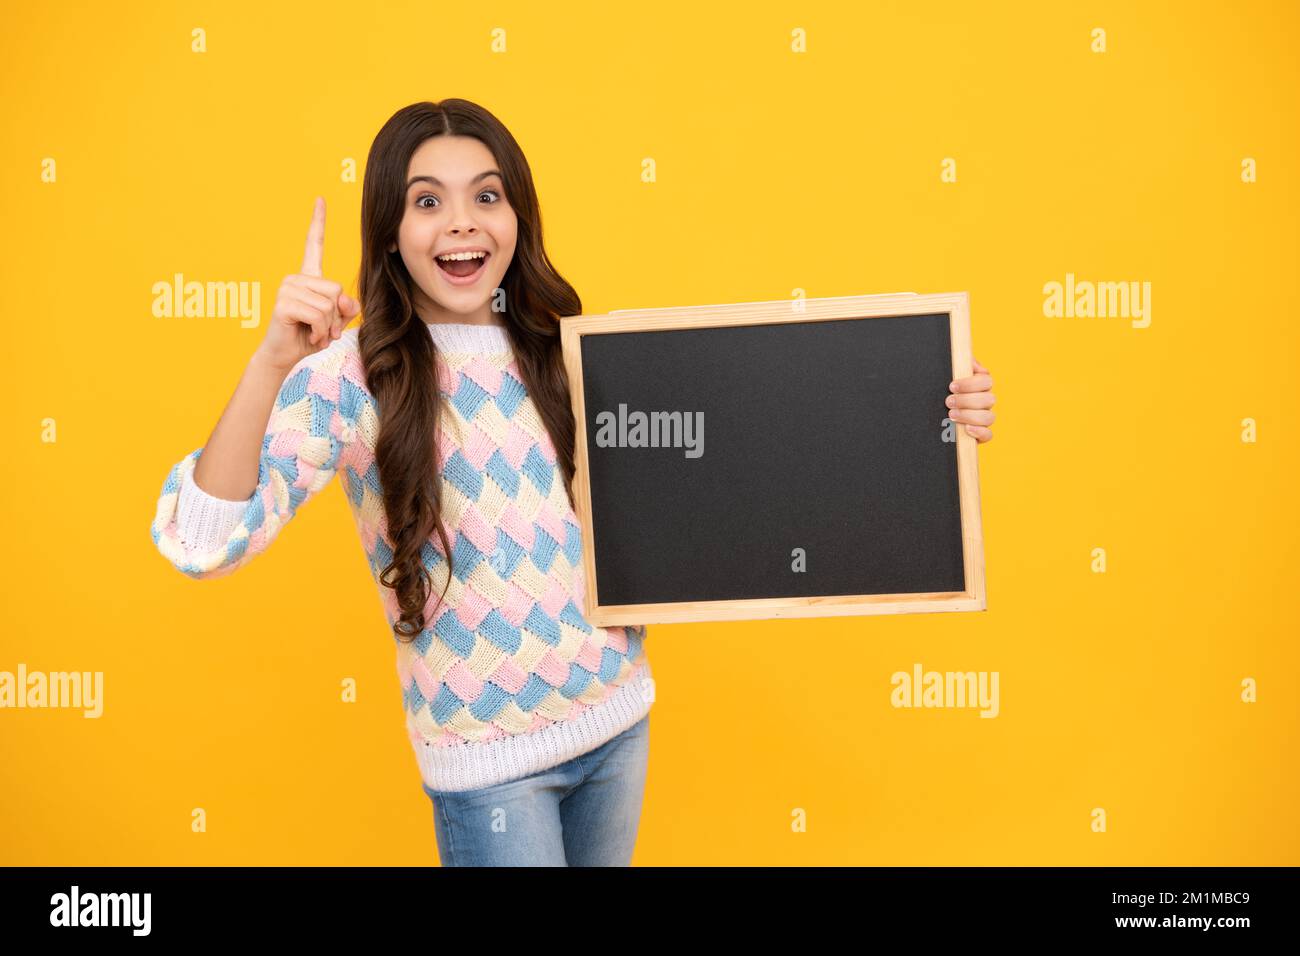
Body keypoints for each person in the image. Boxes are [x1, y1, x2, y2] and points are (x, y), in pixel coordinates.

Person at [149, 98, 997, 867]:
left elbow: (749, 455)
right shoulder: (351, 378)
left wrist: (929, 420)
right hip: (490, 771)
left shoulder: (562, 350)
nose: (462, 226)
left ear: (517, 215)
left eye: (487, 196)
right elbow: (202, 544)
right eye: (427, 200)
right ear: (390, 228)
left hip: (616, 720)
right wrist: (270, 364)